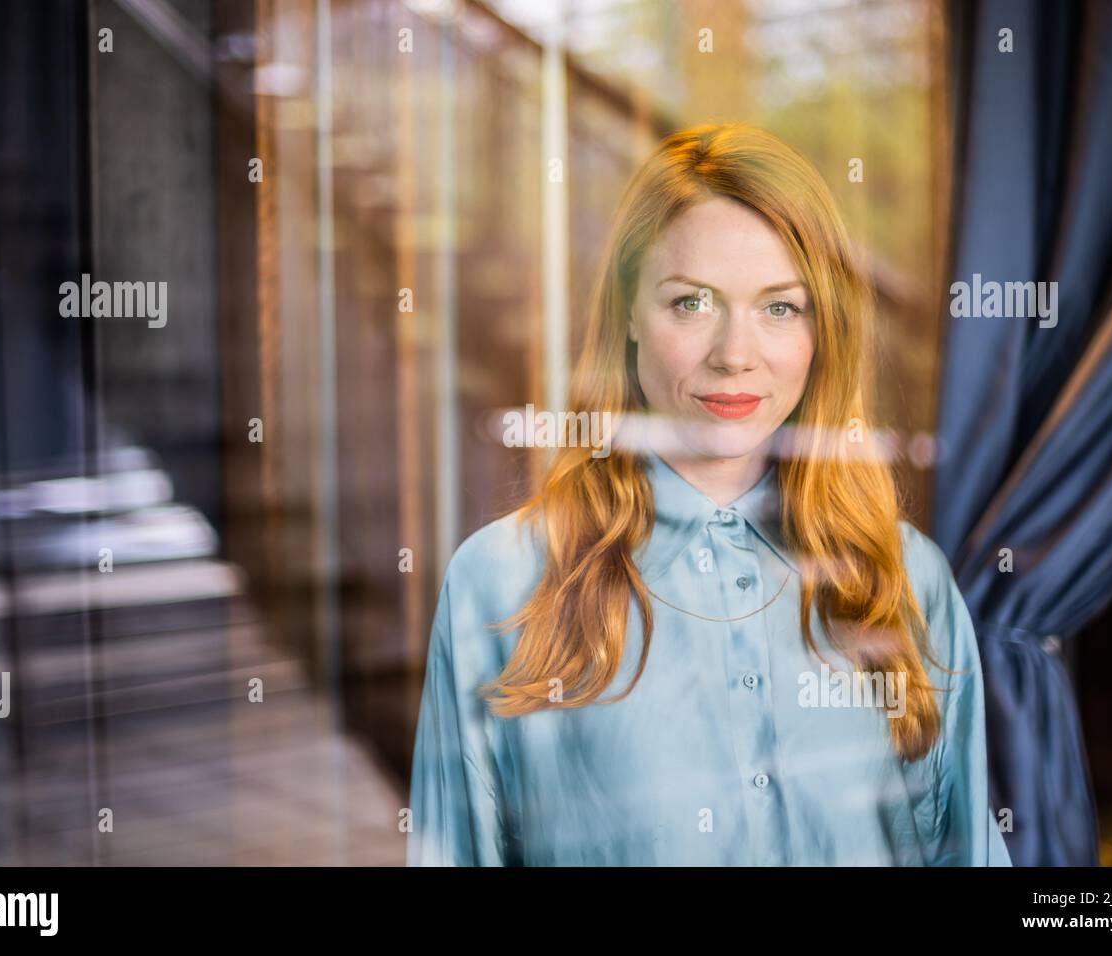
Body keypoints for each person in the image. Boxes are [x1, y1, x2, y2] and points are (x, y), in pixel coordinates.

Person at [406, 122, 1012, 866]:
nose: (734, 354)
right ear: (628, 313)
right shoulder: (499, 581)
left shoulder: (907, 575)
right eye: (692, 302)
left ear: (823, 333)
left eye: (780, 308)